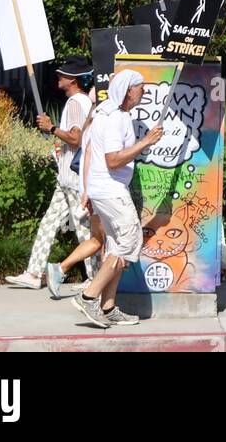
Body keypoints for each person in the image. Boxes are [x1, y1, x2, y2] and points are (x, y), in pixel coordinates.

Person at [71, 70, 164, 328]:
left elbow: (90, 150)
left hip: (101, 189)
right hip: (112, 190)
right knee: (130, 239)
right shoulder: (117, 118)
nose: (143, 92)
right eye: (141, 87)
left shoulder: (103, 112)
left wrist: (87, 189)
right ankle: (88, 296)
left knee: (115, 246)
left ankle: (108, 306)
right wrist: (146, 142)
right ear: (128, 90)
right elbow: (113, 160)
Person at [6, 57, 97, 292]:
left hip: (75, 180)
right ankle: (34, 273)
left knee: (84, 229)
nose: (58, 77)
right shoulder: (85, 102)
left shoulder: (77, 102)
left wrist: (52, 128)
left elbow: (76, 139)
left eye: (62, 74)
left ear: (73, 80)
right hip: (67, 179)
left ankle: (95, 278)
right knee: (51, 222)